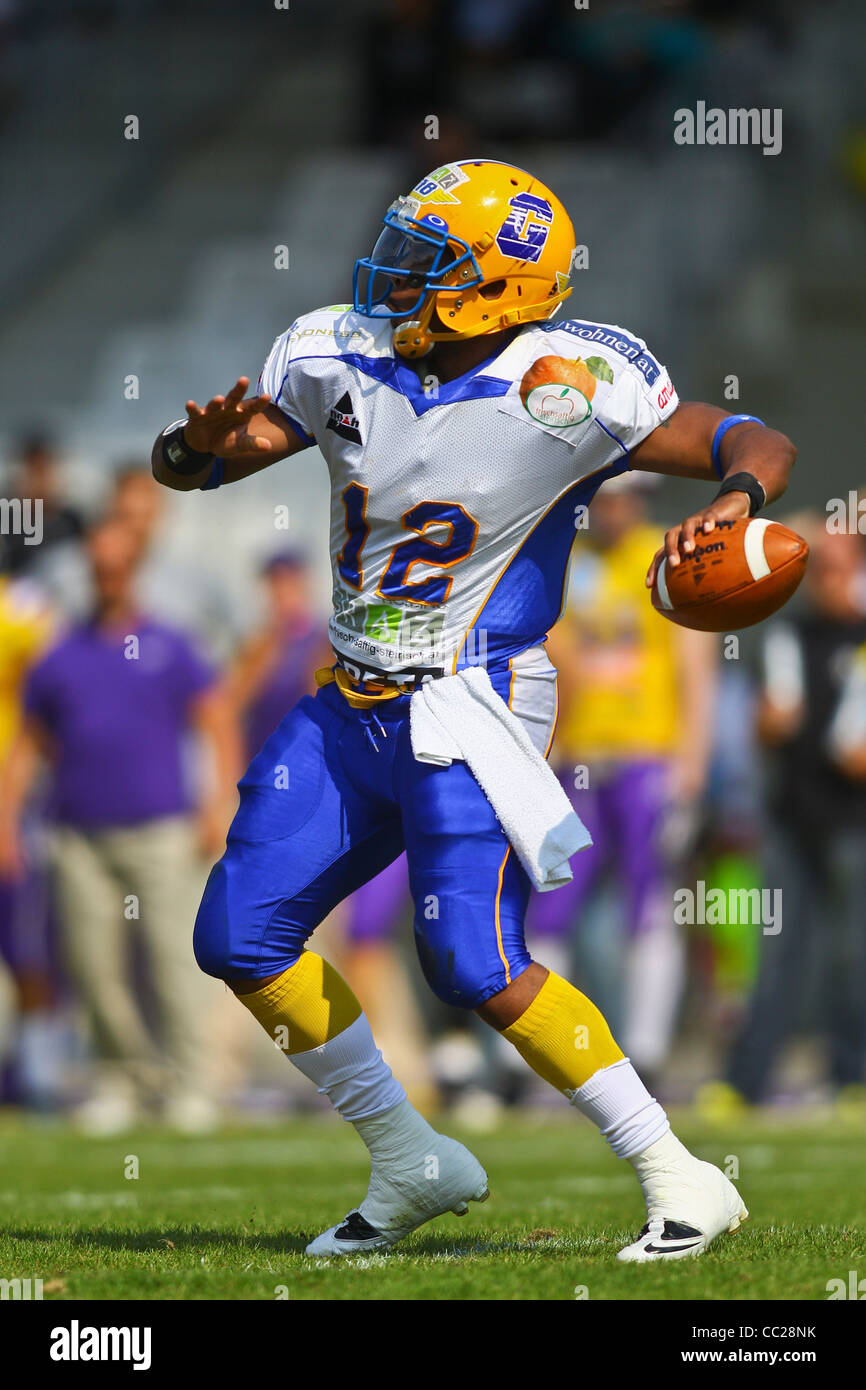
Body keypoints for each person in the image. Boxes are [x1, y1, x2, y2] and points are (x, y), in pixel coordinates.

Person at [152, 159, 795, 1259]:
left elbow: (750, 440)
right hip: (346, 699)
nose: (396, 274)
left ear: (500, 285)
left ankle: (678, 1174)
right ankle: (408, 1157)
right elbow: (201, 464)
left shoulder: (570, 379)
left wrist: (735, 503)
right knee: (237, 933)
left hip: (474, 695)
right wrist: (195, 449)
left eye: (428, 260)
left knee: (470, 961)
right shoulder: (334, 349)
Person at [0, 517, 242, 1132]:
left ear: (133, 570)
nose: (106, 577)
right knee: (93, 964)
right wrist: (6, 822)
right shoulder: (60, 656)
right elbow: (28, 745)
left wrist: (219, 805)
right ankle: (121, 1079)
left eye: (116, 566)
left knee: (171, 961)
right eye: (97, 568)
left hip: (162, 830)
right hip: (78, 834)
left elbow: (216, 720)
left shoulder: (170, 644)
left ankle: (192, 1084)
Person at [536, 473, 718, 1085]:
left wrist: (692, 761)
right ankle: (540, 1054)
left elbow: (696, 666)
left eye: (622, 499)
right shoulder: (569, 563)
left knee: (649, 901)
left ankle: (648, 1052)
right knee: (551, 902)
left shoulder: (667, 558)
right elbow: (551, 658)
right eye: (604, 499)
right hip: (581, 758)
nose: (612, 511)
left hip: (648, 757)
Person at [721, 527, 866, 1107]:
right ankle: (747, 1081)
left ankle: (851, 1076)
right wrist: (767, 723)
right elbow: (764, 728)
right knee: (776, 950)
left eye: (838, 566)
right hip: (791, 816)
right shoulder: (787, 632)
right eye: (819, 567)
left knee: (851, 953)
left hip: (852, 820)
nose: (826, 579)